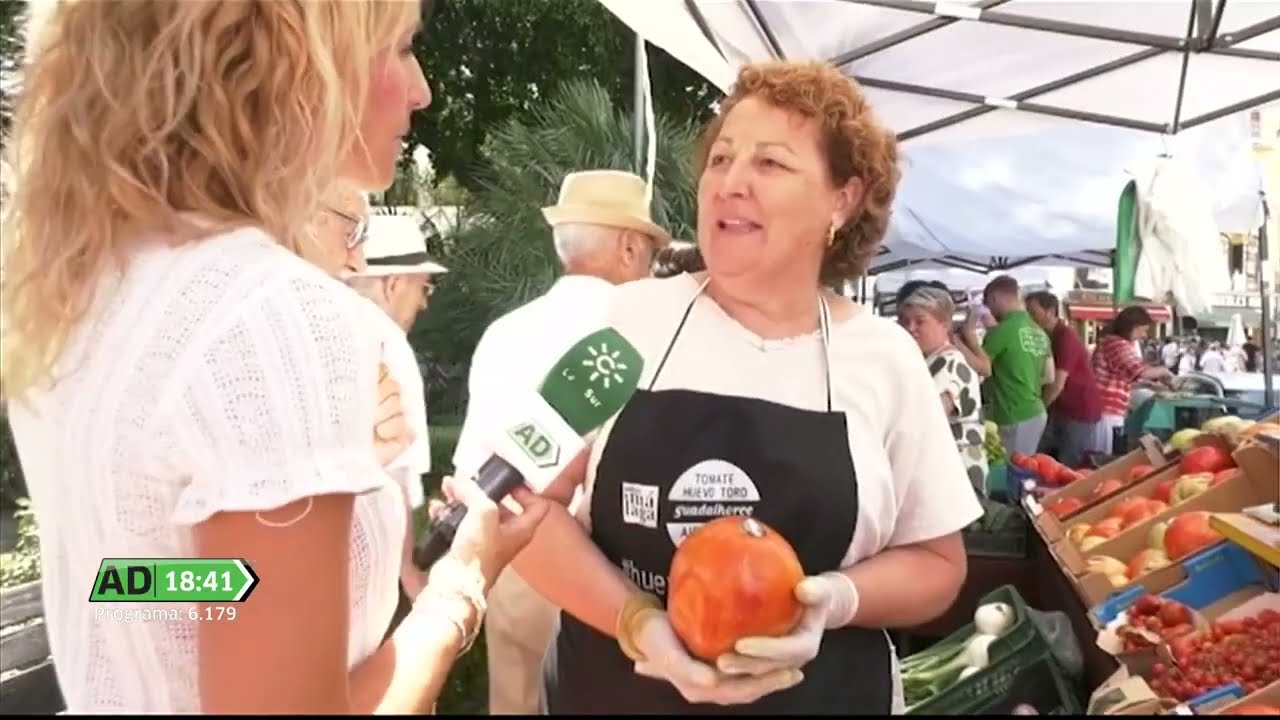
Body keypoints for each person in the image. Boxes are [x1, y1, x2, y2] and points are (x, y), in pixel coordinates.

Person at [0, 1, 549, 713]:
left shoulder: (82, 292)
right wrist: (460, 589)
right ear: (298, 61)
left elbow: (125, 581)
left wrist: (302, 473)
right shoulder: (269, 317)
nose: (422, 90)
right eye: (400, 47)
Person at [478, 59, 982, 714]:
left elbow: (938, 565)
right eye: (721, 159)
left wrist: (836, 599)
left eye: (769, 163)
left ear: (842, 199)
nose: (729, 182)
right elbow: (521, 507)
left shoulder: (885, 360)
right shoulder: (627, 323)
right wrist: (636, 620)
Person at [451, 169, 670, 715]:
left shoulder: (506, 332)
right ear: (628, 247)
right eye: (648, 252)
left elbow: (470, 464)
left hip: (508, 562)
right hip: (603, 576)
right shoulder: (645, 336)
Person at [344, 212, 450, 600]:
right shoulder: (388, 342)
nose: (423, 304)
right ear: (393, 284)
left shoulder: (318, 328)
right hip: (367, 555)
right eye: (424, 288)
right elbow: (397, 472)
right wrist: (407, 573)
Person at [897, 284, 988, 496]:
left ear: (944, 325)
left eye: (920, 321)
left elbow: (929, 418)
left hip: (955, 476)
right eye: (905, 321)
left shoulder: (949, 363)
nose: (910, 328)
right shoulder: (930, 360)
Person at [960, 276, 1054, 457]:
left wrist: (961, 339)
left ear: (994, 298)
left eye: (988, 304)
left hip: (1011, 413)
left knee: (1008, 469)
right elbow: (1049, 376)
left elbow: (982, 367)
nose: (989, 310)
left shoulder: (1002, 330)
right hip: (1036, 411)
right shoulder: (1038, 331)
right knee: (1025, 466)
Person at [1024, 291, 1104, 467]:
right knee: (1043, 457)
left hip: (1079, 410)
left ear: (1050, 311)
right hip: (1061, 408)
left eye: (1033, 311)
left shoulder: (1066, 338)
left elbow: (1057, 384)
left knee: (1067, 463)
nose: (1029, 316)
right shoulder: (1047, 336)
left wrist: (1039, 409)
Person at [1092, 307, 1174, 452]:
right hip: (1106, 410)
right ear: (1134, 327)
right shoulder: (1117, 344)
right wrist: (1164, 371)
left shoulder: (1111, 342)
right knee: (1104, 453)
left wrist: (1151, 385)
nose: (1144, 335)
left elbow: (1127, 376)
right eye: (1143, 330)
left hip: (1107, 410)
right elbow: (1140, 370)